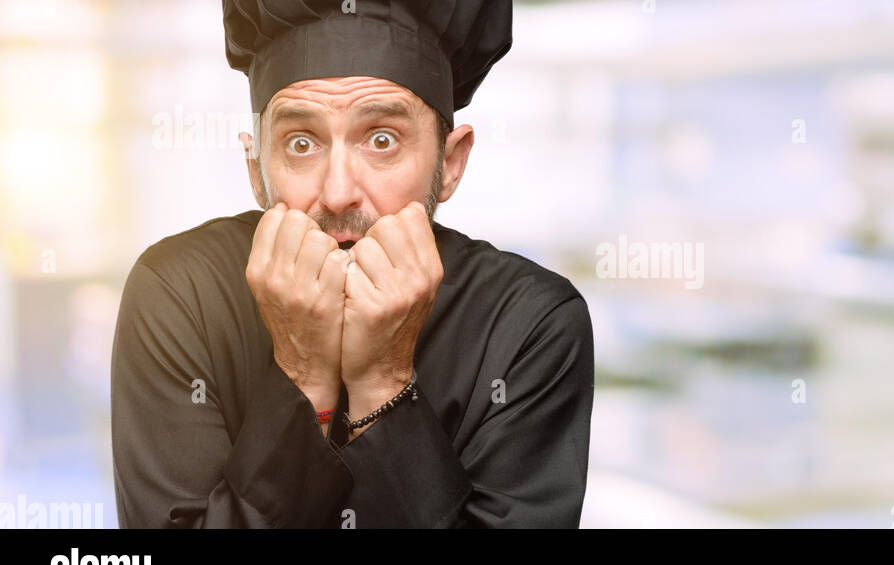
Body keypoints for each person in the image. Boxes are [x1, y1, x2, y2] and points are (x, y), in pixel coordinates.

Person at [110, 0, 594, 528]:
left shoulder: (532, 325)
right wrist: (302, 375)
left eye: (382, 140)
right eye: (301, 142)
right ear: (256, 169)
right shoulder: (181, 294)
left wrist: (383, 383)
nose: (338, 193)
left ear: (450, 162)